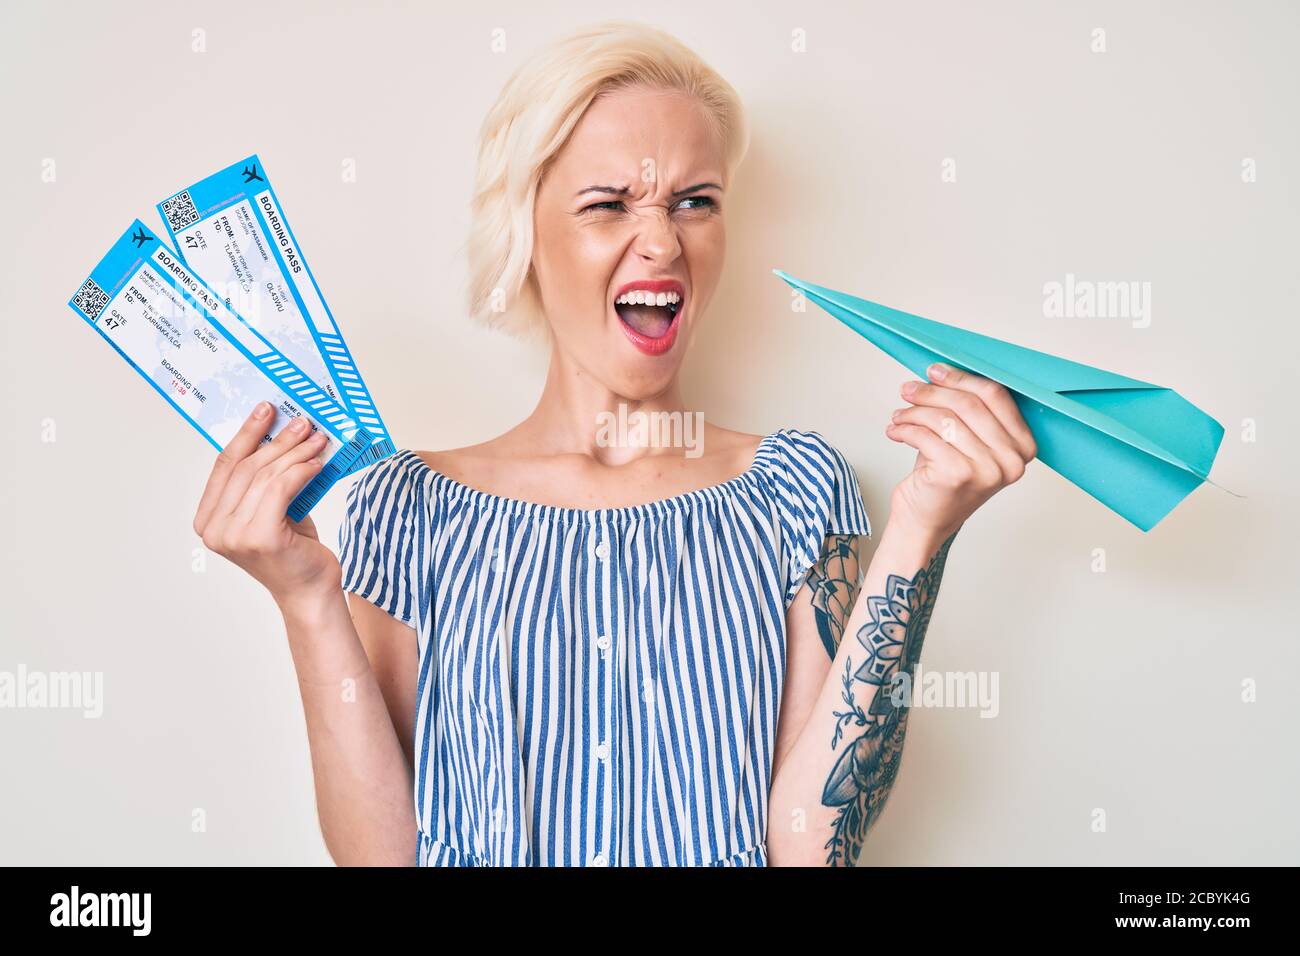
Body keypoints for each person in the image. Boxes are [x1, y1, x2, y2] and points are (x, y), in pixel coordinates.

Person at [192, 20, 1036, 867]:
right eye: (607, 204)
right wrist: (305, 598)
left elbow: (814, 852)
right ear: (523, 238)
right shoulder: (406, 508)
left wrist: (924, 531)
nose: (664, 241)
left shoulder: (796, 489)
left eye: (694, 201)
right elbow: (382, 861)